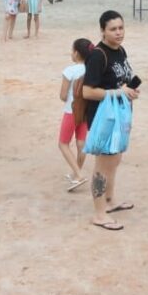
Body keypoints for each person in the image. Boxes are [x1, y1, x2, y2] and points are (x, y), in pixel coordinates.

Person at [83, 10, 142, 231]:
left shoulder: (120, 50)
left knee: (114, 161)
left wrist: (128, 91)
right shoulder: (98, 55)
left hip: (120, 115)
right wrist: (118, 92)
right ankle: (99, 214)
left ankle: (110, 201)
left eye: (121, 28)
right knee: (102, 166)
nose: (118, 33)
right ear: (102, 31)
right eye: (113, 29)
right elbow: (88, 92)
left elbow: (122, 82)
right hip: (103, 118)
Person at [58, 38, 93, 191]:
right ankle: (75, 173)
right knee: (81, 143)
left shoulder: (70, 71)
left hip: (71, 111)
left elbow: (63, 95)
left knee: (63, 143)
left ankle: (78, 174)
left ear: (76, 53)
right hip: (84, 111)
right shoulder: (90, 70)